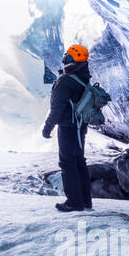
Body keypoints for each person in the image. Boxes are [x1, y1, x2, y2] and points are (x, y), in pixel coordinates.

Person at [42, 44, 93, 212]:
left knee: (67, 163)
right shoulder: (82, 77)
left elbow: (57, 108)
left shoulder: (65, 81)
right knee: (78, 161)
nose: (65, 57)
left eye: (68, 55)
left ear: (71, 58)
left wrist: (47, 127)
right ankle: (85, 201)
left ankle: (74, 202)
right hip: (79, 126)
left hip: (68, 127)